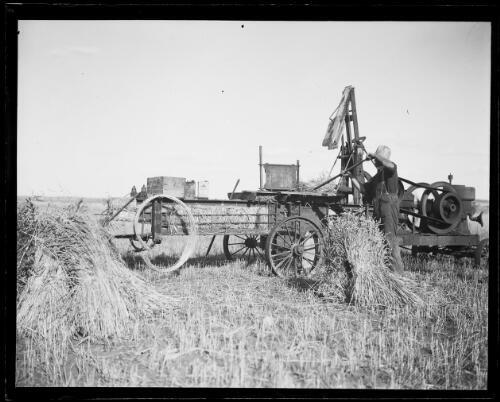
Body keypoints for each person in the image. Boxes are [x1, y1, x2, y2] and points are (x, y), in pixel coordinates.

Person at [350, 145, 404, 273]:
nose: (375, 161)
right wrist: (350, 176)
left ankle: (398, 274)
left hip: (388, 209)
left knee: (390, 241)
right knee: (380, 241)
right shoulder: (377, 177)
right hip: (379, 209)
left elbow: (390, 165)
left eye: (378, 157)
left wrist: (375, 155)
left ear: (383, 157)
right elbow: (363, 189)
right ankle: (386, 271)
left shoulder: (391, 170)